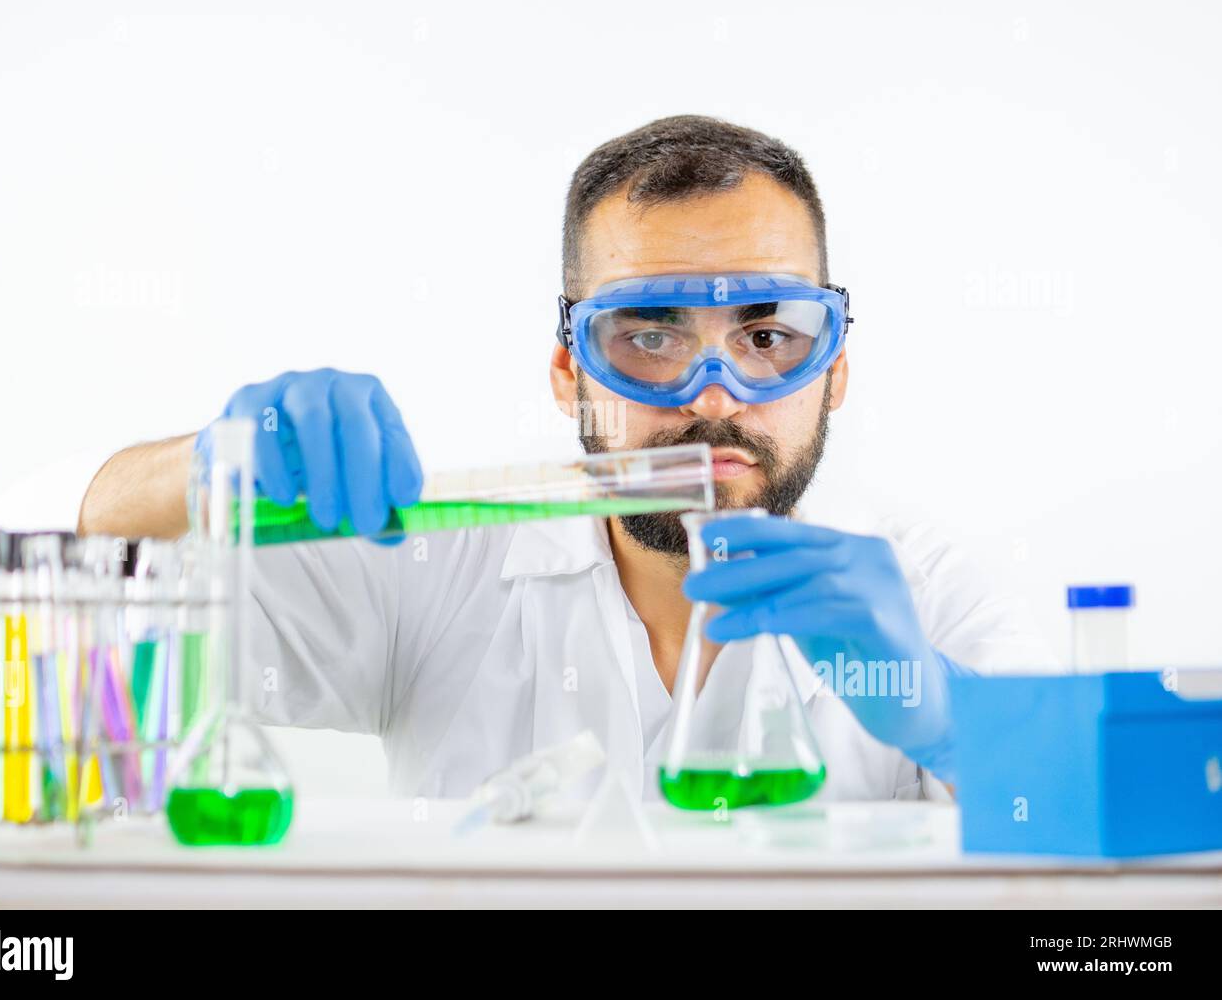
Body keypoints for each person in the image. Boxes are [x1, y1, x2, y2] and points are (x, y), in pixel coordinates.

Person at [78, 115, 1056, 803]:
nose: (713, 399)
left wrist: (948, 718)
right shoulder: (426, 568)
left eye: (768, 337)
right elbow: (55, 571)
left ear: (834, 373)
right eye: (648, 336)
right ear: (567, 374)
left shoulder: (924, 596)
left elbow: (1110, 852)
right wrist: (205, 468)